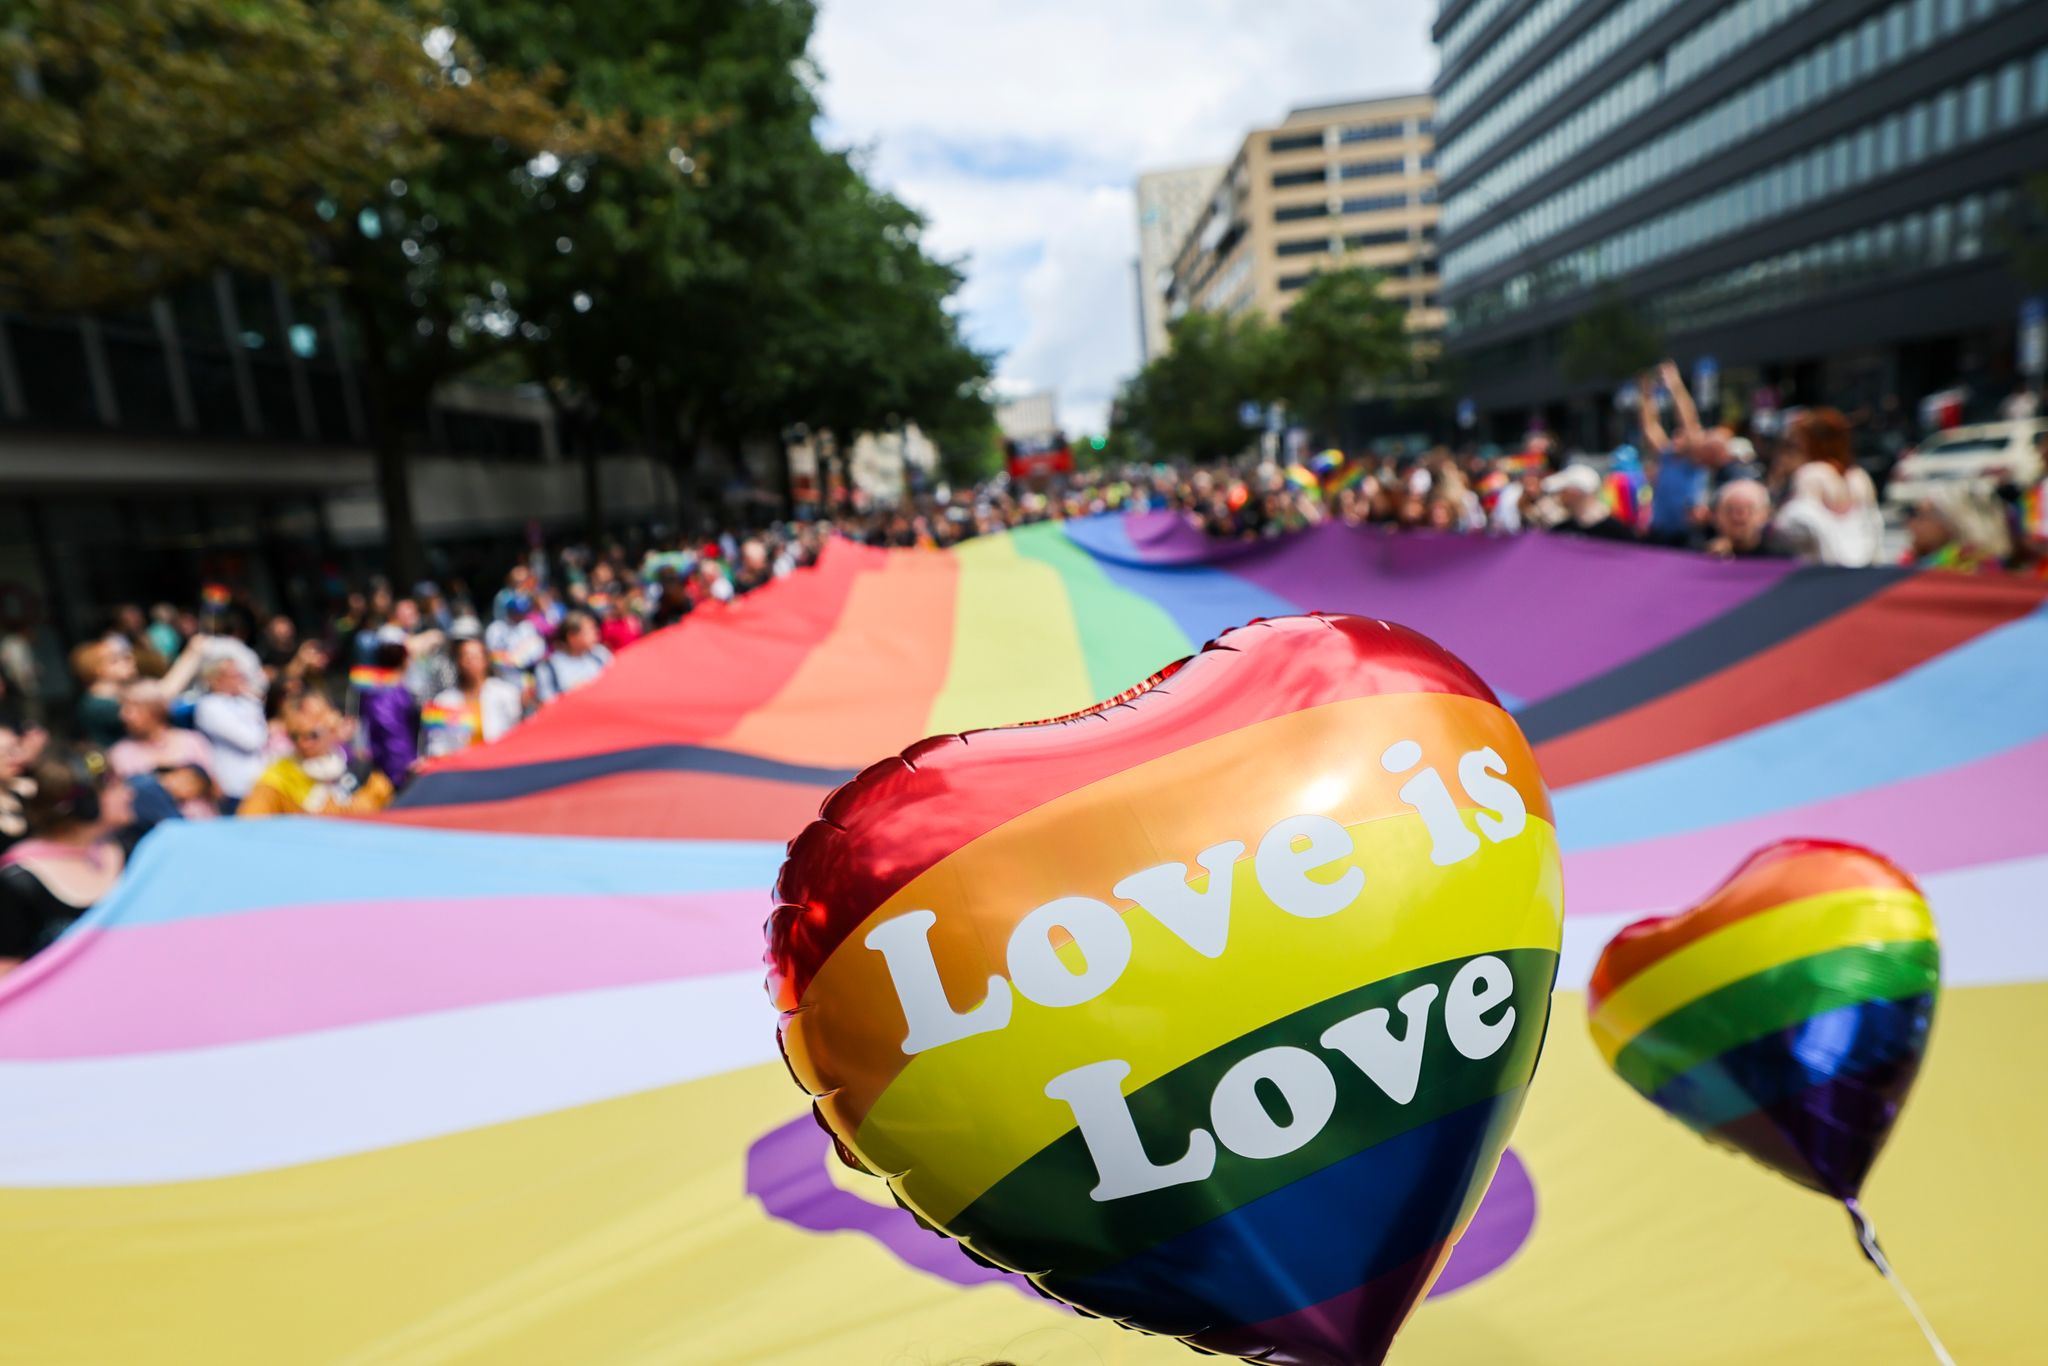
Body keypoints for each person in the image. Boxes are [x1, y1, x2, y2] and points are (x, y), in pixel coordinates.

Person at [0, 751, 135, 972]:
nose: (129, 793)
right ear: (87, 804)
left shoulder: (130, 853)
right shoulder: (19, 882)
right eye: (116, 786)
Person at [240, 695, 393, 817]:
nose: (302, 743)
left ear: (331, 730)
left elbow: (389, 812)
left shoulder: (360, 771)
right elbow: (251, 826)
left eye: (312, 735)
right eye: (294, 736)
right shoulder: (275, 780)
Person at [108, 682, 219, 821]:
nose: (123, 715)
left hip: (202, 826)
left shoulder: (192, 741)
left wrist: (197, 785)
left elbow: (217, 790)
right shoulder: (120, 753)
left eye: (131, 708)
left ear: (154, 710)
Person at [192, 655, 270, 814]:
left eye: (240, 674)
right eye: (233, 675)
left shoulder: (245, 702)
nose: (240, 679)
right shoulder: (209, 706)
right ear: (215, 679)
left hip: (257, 784)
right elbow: (251, 741)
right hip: (232, 786)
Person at [424, 636, 525, 756]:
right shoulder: (443, 701)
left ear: (485, 660)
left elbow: (517, 731)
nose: (470, 661)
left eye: (476, 656)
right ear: (458, 662)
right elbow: (436, 743)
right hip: (460, 768)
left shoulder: (506, 693)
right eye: (466, 656)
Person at [1542, 465, 1637, 542]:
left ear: (1575, 492)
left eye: (1563, 490)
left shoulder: (1616, 532)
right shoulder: (1560, 529)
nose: (1558, 495)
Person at [534, 610, 613, 703]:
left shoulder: (600, 654)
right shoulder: (549, 667)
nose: (595, 633)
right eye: (589, 630)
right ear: (571, 636)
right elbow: (547, 704)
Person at [69, 638, 135, 748]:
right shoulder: (96, 705)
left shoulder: (116, 695)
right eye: (115, 660)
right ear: (98, 669)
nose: (126, 661)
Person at [1700, 480, 1780, 558]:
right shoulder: (1697, 545)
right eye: (1730, 509)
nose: (1737, 516)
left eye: (1749, 509)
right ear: (1716, 514)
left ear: (1765, 515)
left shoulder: (1780, 555)